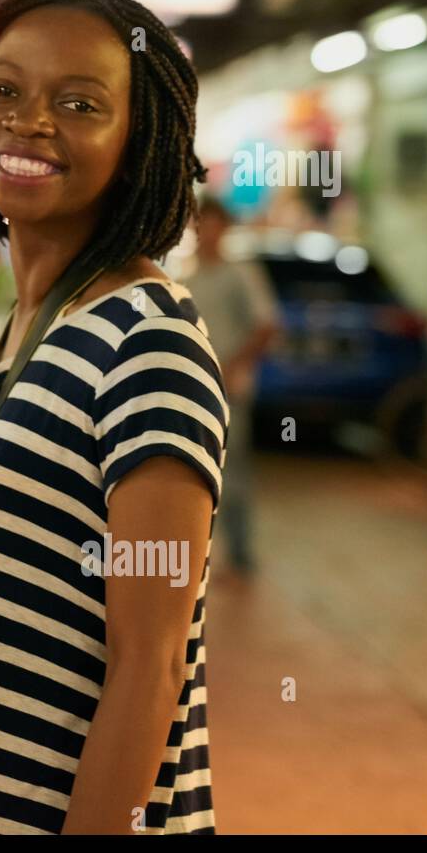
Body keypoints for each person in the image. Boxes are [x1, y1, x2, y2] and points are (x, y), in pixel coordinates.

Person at [0, 0, 229, 834]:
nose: (28, 121)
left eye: (79, 103)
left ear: (139, 141)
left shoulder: (147, 342)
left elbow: (151, 665)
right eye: (3, 89)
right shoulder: (33, 323)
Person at [184, 195, 280, 578]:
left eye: (212, 222)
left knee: (232, 470)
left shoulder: (240, 275)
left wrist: (234, 365)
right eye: (199, 223)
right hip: (195, 391)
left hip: (231, 390)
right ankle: (200, 550)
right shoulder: (186, 281)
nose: (205, 230)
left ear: (223, 227)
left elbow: (267, 325)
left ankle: (239, 554)